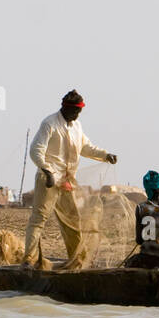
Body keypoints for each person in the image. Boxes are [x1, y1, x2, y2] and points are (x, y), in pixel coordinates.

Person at [23, 89, 118, 269]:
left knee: (72, 221)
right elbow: (36, 150)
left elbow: (86, 147)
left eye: (79, 112)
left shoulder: (76, 126)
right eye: (75, 111)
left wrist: (105, 155)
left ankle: (76, 260)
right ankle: (29, 259)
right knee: (39, 219)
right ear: (65, 108)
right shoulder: (49, 124)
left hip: (67, 181)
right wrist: (47, 171)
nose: (77, 115)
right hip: (49, 179)